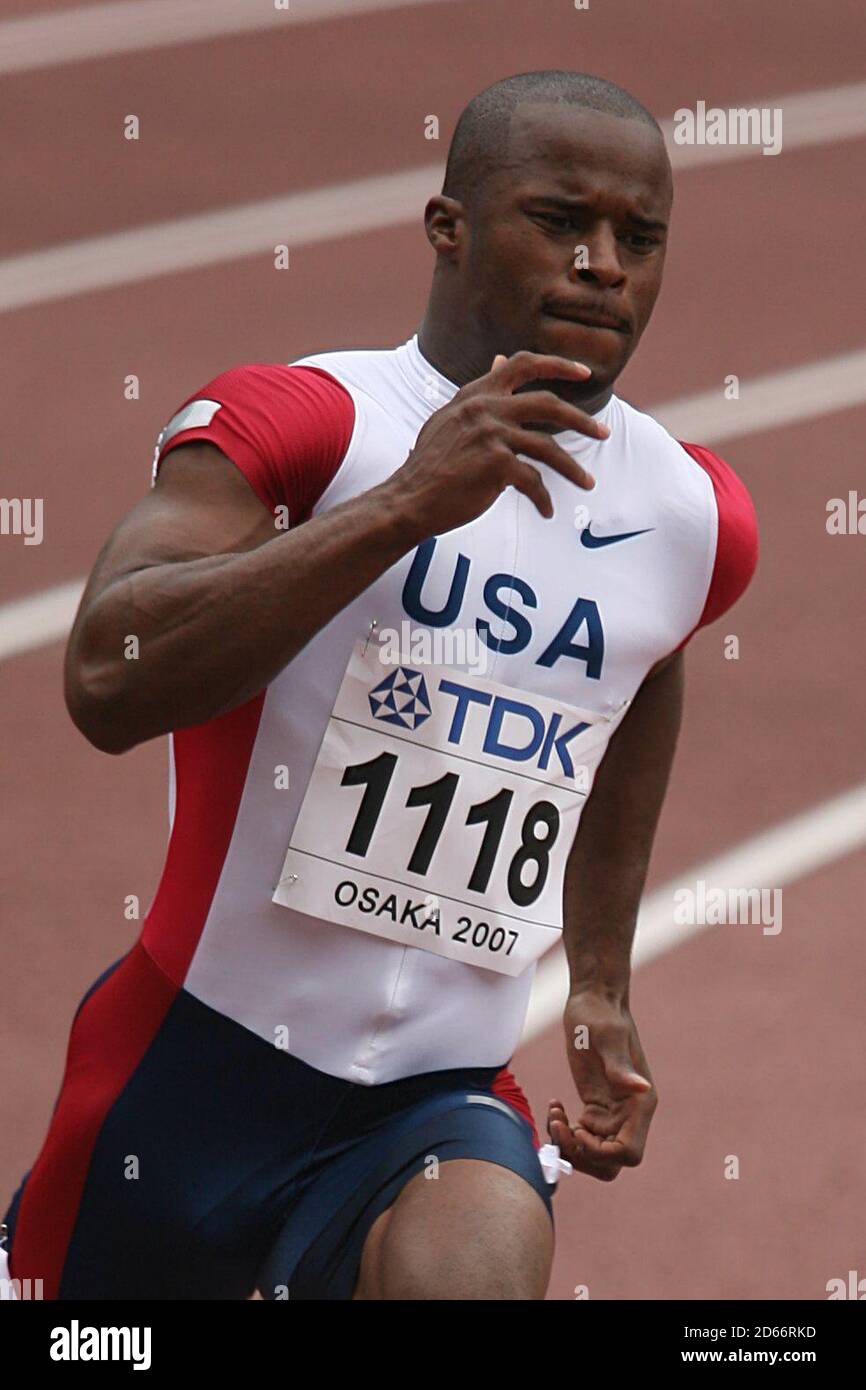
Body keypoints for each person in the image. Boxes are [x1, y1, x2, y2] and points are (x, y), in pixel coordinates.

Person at [4, 70, 758, 1301]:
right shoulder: (303, 421)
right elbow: (108, 674)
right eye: (561, 221)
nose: (603, 265)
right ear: (446, 228)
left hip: (433, 1105)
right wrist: (407, 505)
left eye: (639, 235)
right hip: (185, 1081)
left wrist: (603, 980)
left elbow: (641, 673)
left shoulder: (692, 517)